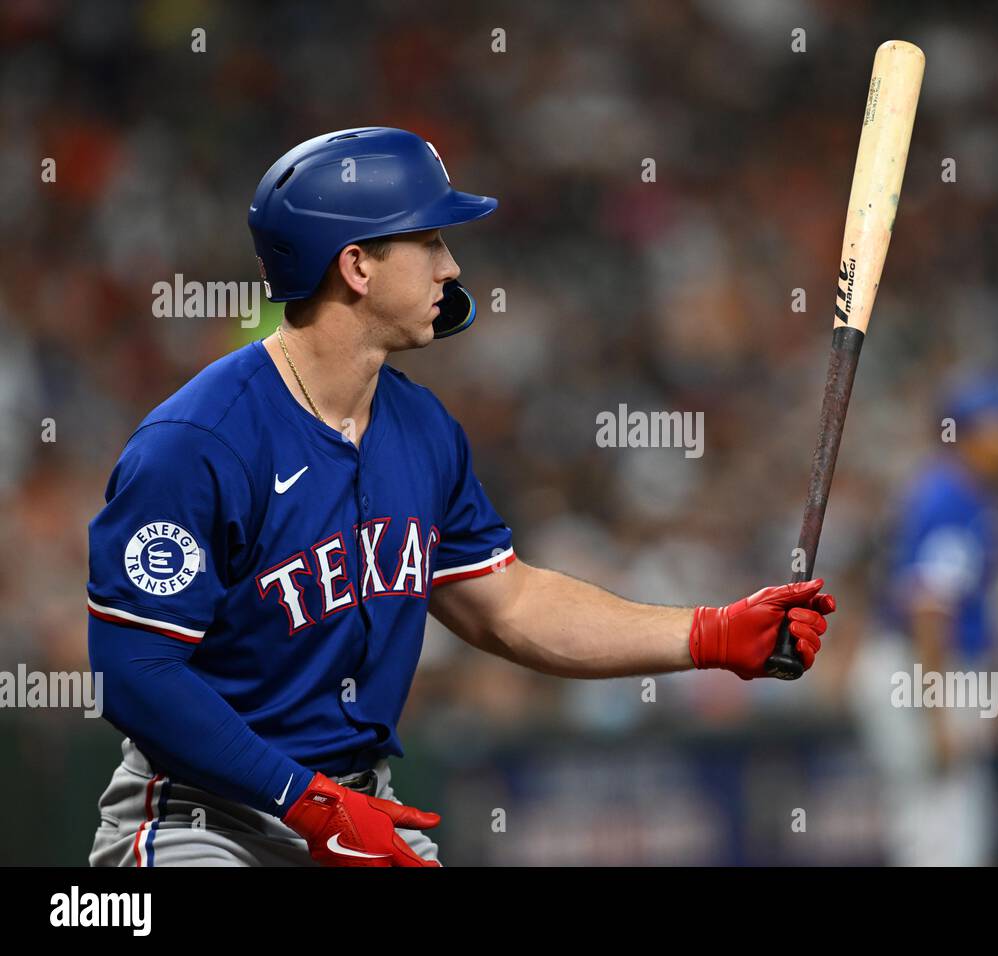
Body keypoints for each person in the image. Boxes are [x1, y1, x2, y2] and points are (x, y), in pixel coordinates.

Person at [85, 127, 835, 867]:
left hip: (364, 808)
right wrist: (306, 801)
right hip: (208, 818)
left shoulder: (422, 428)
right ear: (357, 266)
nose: (452, 266)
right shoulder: (199, 442)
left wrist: (709, 634)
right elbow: (137, 675)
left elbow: (507, 606)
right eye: (430, 241)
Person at [848, 372, 998, 866]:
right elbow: (929, 611)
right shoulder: (949, 496)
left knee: (957, 832)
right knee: (941, 838)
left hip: (926, 670)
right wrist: (938, 718)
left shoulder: (963, 491)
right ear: (975, 429)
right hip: (915, 671)